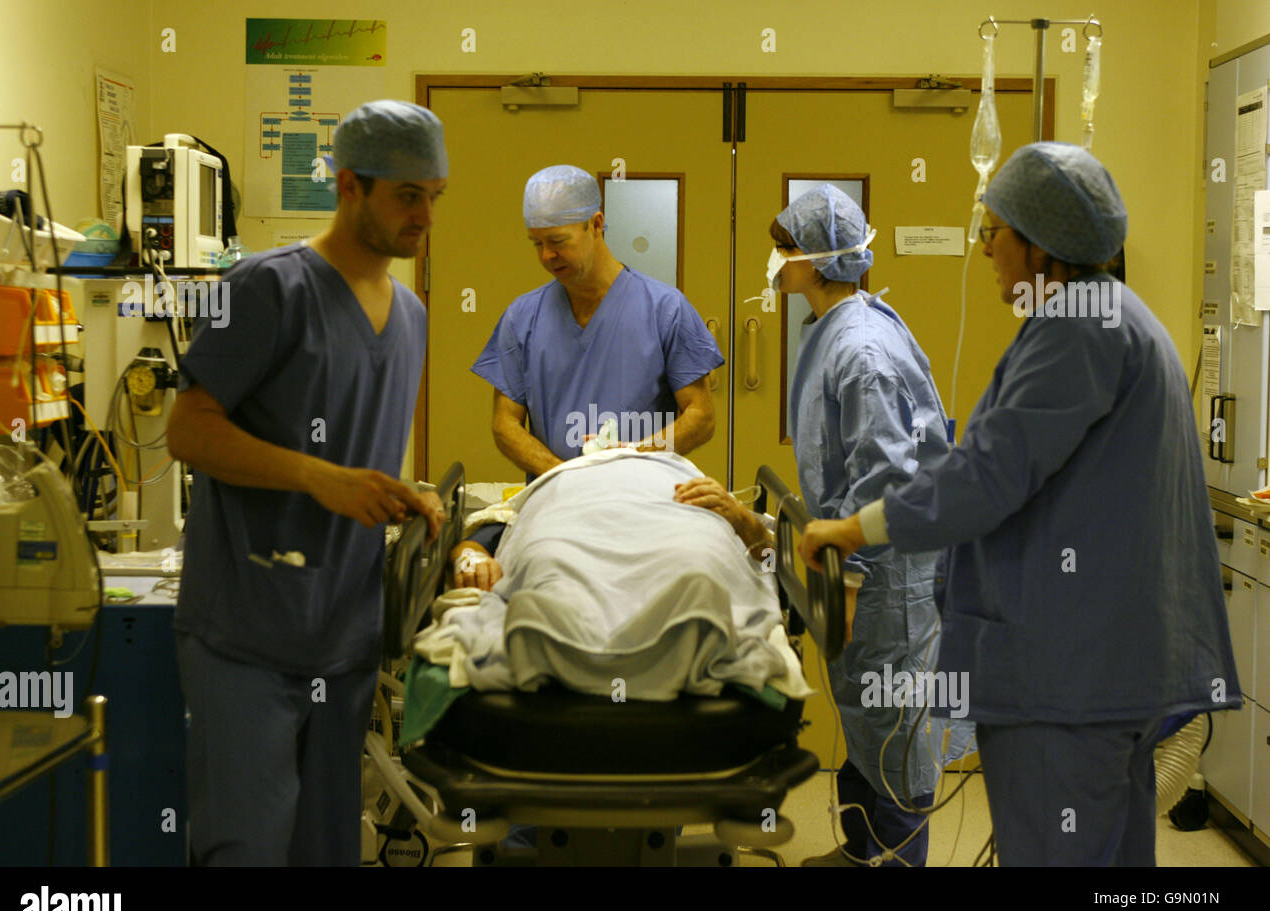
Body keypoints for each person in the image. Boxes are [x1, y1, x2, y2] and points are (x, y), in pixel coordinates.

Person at [798, 143, 1241, 866]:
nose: (985, 252)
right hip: (1106, 674)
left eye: (993, 233)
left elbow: (983, 477)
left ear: (1041, 247)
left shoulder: (1077, 329)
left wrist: (853, 528)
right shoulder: (1120, 318)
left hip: (1066, 682)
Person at [166, 100, 449, 865]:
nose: (424, 215)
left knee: (325, 848)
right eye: (407, 195)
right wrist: (318, 479)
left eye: (435, 196)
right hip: (247, 632)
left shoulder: (413, 315)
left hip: (342, 634)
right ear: (350, 185)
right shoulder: (267, 289)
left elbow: (355, 450)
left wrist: (404, 495)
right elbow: (187, 430)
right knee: (247, 846)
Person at [676, 185, 971, 867]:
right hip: (858, 559)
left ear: (817, 258)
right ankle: (862, 849)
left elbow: (888, 478)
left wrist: (851, 570)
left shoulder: (861, 351)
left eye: (784, 249)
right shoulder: (835, 326)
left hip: (887, 572)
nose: (774, 261)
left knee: (894, 727)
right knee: (866, 717)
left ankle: (895, 860)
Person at [471, 165, 723, 478]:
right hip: (558, 498)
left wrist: (630, 458)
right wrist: (564, 477)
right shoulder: (523, 317)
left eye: (558, 241)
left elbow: (701, 417)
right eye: (537, 244)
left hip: (643, 493)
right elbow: (505, 424)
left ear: (597, 224)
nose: (548, 256)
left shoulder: (665, 310)